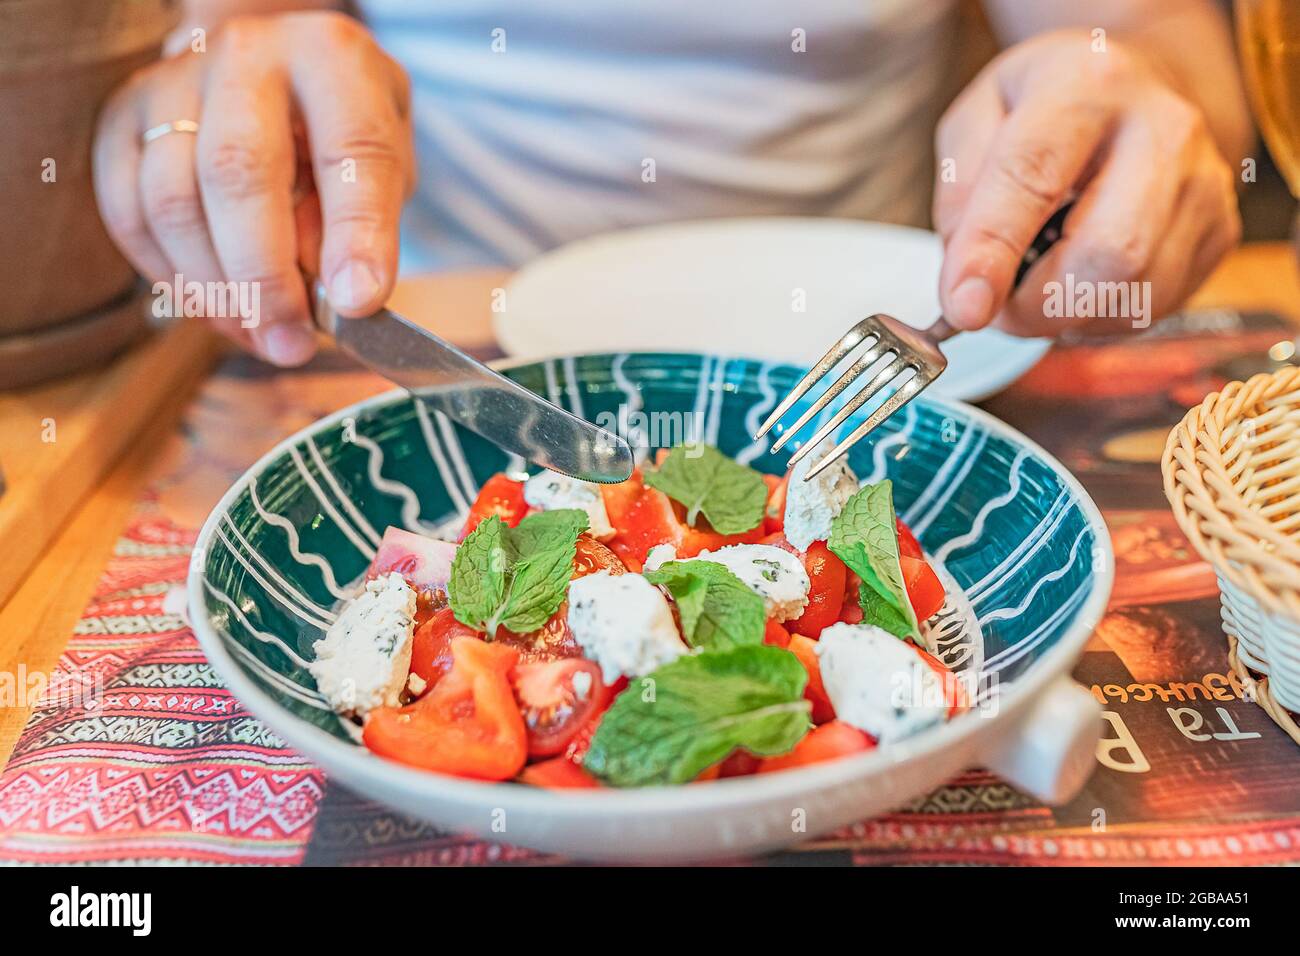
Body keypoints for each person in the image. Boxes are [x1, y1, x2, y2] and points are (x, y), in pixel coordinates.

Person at [92, 0, 1250, 366]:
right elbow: (218, 39)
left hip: (878, 358)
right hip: (431, 338)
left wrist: (1132, 101)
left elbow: (1149, 49)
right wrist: (203, 101)